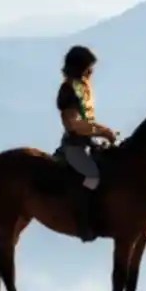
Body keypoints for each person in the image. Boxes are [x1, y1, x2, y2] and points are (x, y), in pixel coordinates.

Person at [56, 45, 117, 242]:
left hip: (88, 144)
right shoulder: (69, 91)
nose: (91, 72)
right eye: (88, 68)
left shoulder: (81, 88)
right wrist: (103, 131)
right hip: (74, 147)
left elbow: (87, 123)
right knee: (93, 176)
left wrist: (101, 135)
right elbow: (75, 125)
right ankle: (82, 222)